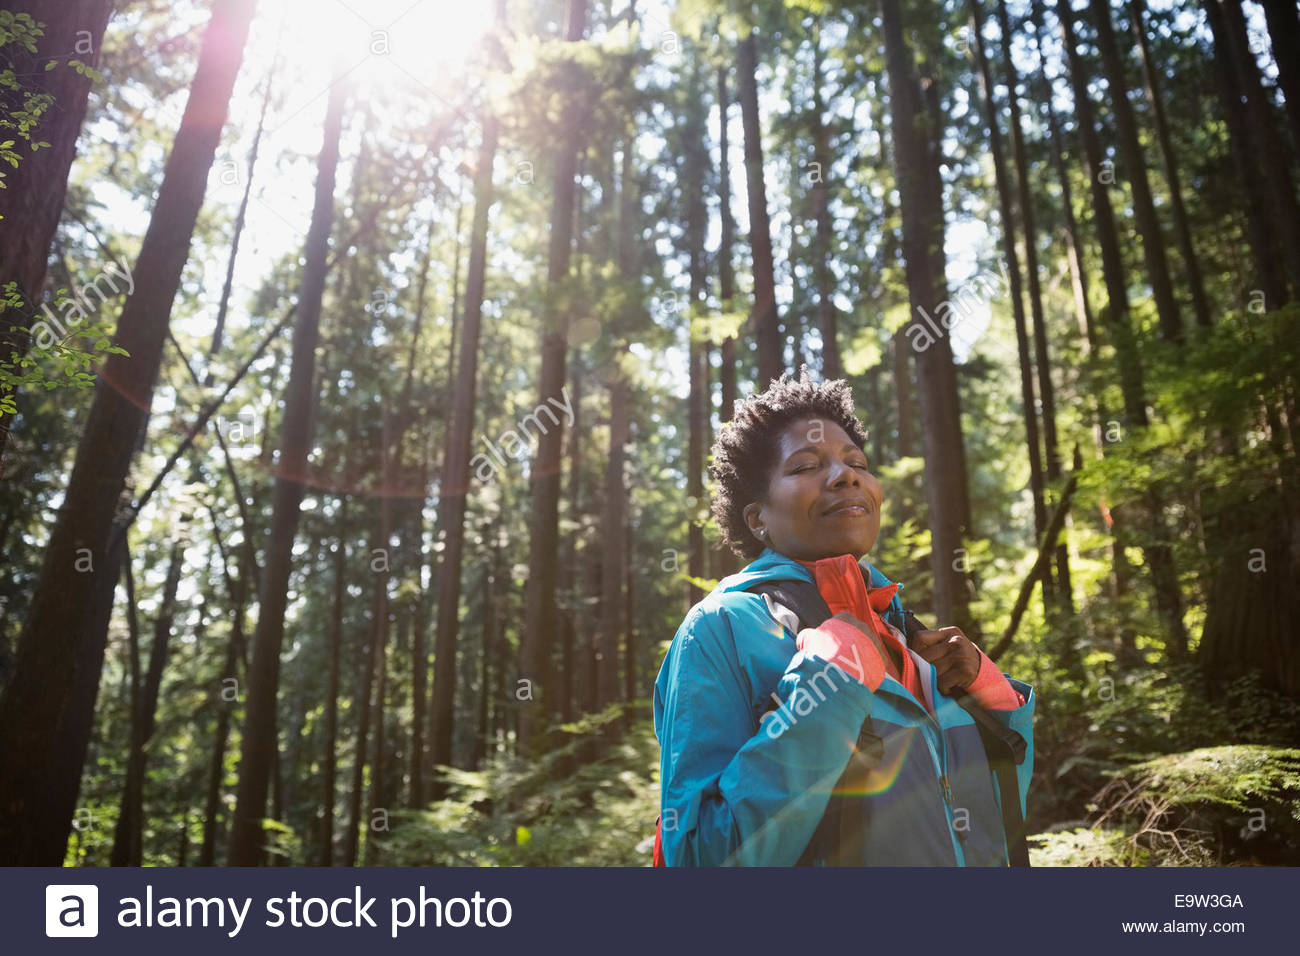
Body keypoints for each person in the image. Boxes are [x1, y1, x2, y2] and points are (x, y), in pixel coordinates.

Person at [652, 374, 1034, 866]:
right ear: (756, 518)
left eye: (856, 463)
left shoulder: (906, 633)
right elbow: (699, 857)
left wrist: (996, 705)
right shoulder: (719, 628)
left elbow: (982, 832)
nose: (845, 475)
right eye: (807, 466)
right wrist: (826, 691)